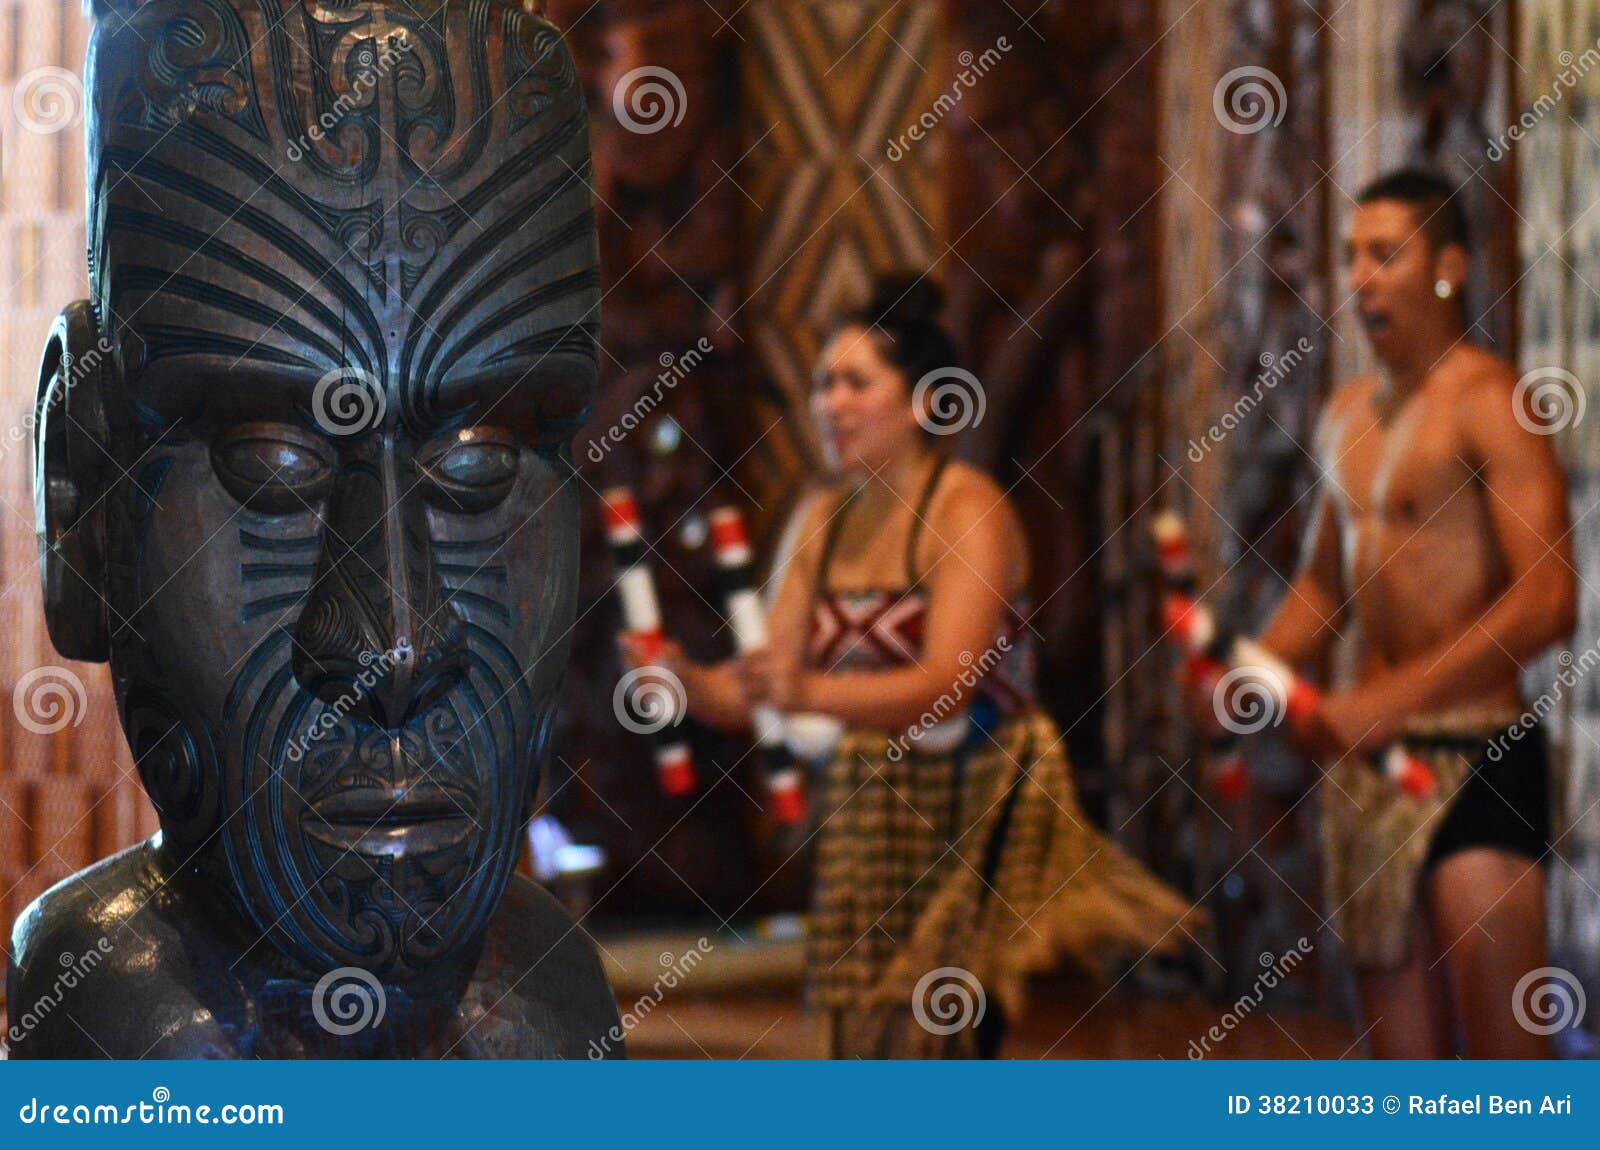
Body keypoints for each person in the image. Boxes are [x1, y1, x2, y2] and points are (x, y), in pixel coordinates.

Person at [627, 276, 1202, 1057]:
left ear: (923, 401)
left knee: (946, 1039)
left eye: (857, 383)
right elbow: (765, 689)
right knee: (862, 1038)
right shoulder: (819, 516)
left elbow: (945, 686)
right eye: (824, 382)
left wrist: (804, 692)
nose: (831, 403)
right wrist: (685, 681)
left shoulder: (968, 510)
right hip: (870, 819)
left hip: (977, 797)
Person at [1248, 169, 1575, 1057]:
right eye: (1352, 257)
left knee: (1509, 1079)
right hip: (1368, 772)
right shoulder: (1343, 413)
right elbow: (1323, 587)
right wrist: (1251, 675)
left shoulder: (1492, 403)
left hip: (1473, 756)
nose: (1360, 279)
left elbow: (1549, 599)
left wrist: (1390, 702)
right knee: (1405, 1086)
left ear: (1449, 269)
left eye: (1386, 255)